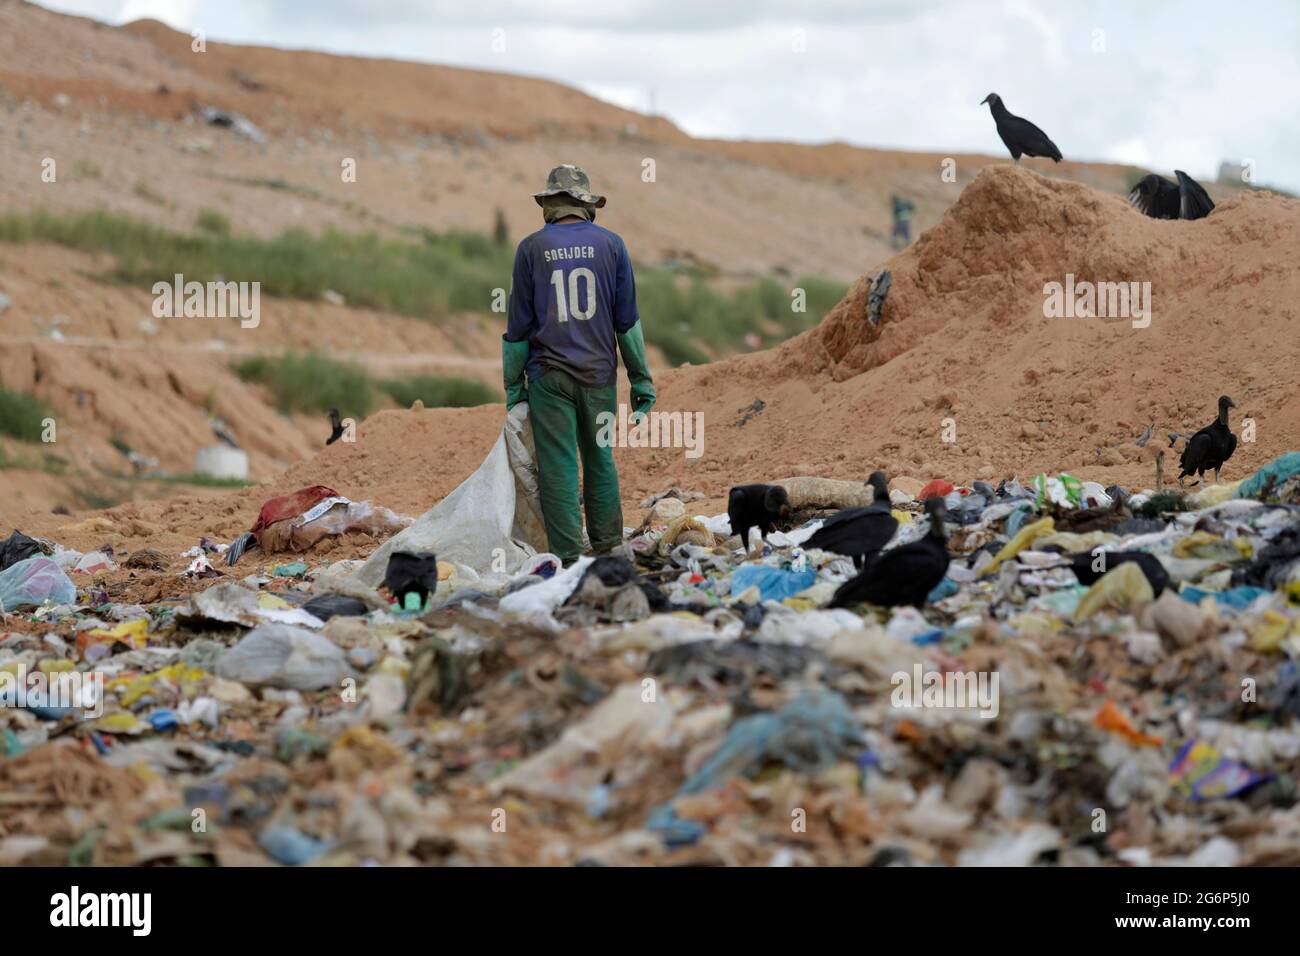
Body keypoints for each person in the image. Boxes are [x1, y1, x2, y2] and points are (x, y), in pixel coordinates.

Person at [502, 164, 655, 564]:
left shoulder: (531, 248)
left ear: (551, 204)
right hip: (599, 375)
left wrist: (513, 388)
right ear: (586, 205)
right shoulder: (613, 245)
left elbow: (517, 328)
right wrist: (641, 380)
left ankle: (568, 557)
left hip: (548, 378)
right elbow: (627, 322)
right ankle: (608, 548)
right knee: (600, 457)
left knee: (558, 466)